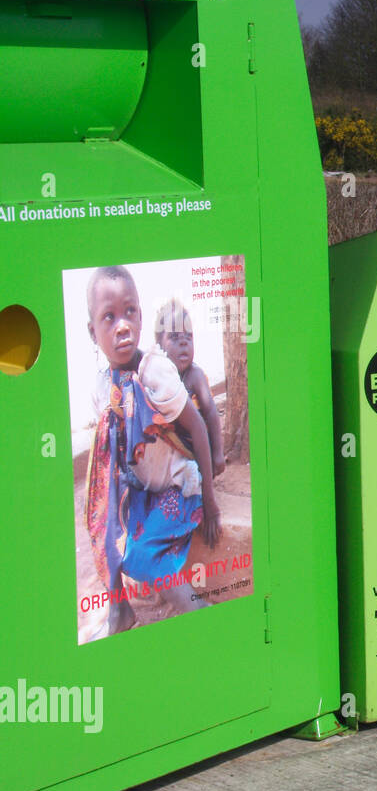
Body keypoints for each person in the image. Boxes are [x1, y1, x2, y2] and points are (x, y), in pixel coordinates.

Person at [83, 266, 222, 636]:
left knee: (142, 558)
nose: (122, 325)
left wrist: (210, 501)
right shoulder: (102, 387)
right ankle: (119, 611)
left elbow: (198, 429)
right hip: (146, 492)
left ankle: (199, 612)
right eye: (108, 317)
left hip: (181, 487)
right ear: (92, 332)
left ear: (141, 317)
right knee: (105, 531)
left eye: (129, 312)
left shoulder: (155, 372)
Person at [154, 299, 225, 477]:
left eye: (189, 336)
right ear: (159, 343)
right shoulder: (156, 376)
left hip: (195, 453)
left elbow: (211, 413)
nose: (184, 343)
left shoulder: (195, 376)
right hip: (169, 454)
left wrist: (217, 454)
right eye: (175, 337)